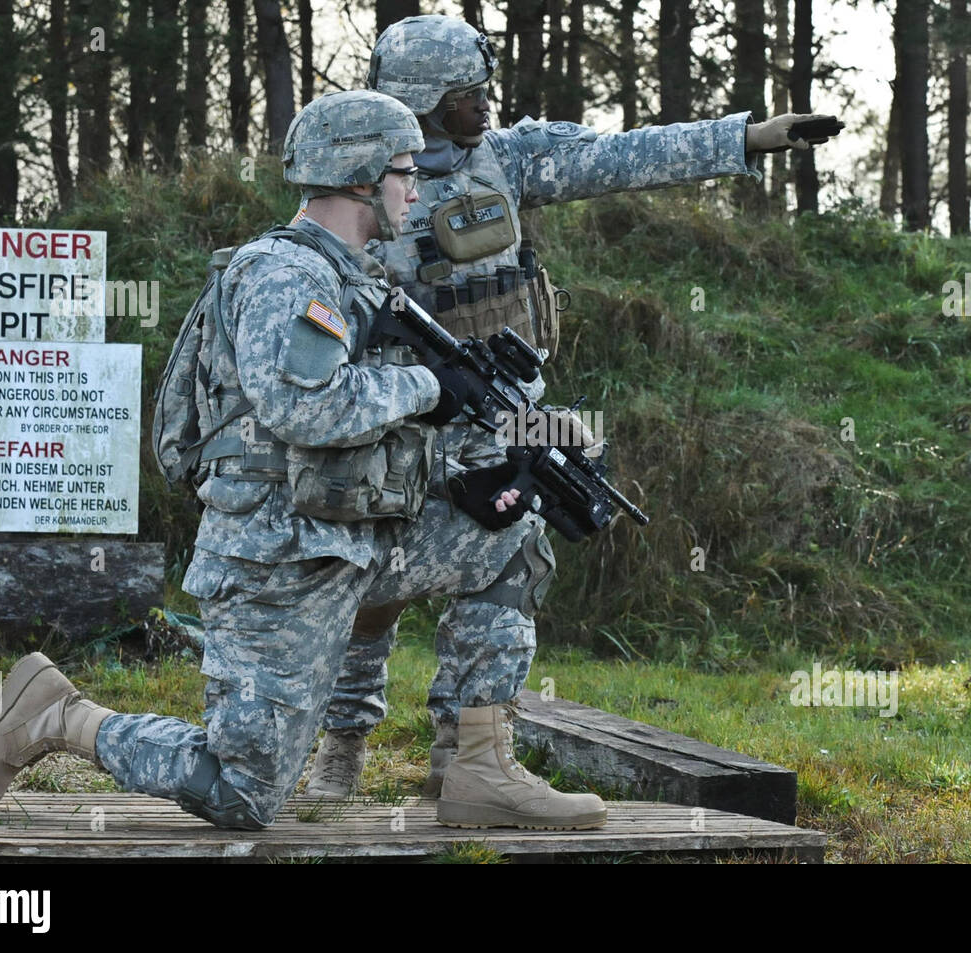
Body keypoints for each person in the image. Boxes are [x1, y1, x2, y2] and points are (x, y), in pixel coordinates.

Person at [0, 89, 605, 832]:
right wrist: (430, 385)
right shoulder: (280, 273)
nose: (416, 187)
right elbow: (309, 407)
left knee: (510, 535)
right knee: (241, 793)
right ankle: (55, 715)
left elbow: (394, 429)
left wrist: (521, 437)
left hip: (352, 538)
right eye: (404, 171)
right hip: (273, 560)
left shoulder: (358, 279)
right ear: (362, 178)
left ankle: (479, 768)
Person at [308, 13, 844, 799]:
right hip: (397, 416)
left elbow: (621, 156)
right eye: (465, 94)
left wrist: (750, 138)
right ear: (423, 101)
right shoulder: (359, 179)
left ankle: (464, 754)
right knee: (371, 589)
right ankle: (343, 744)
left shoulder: (508, 161)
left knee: (510, 554)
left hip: (502, 417)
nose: (484, 104)